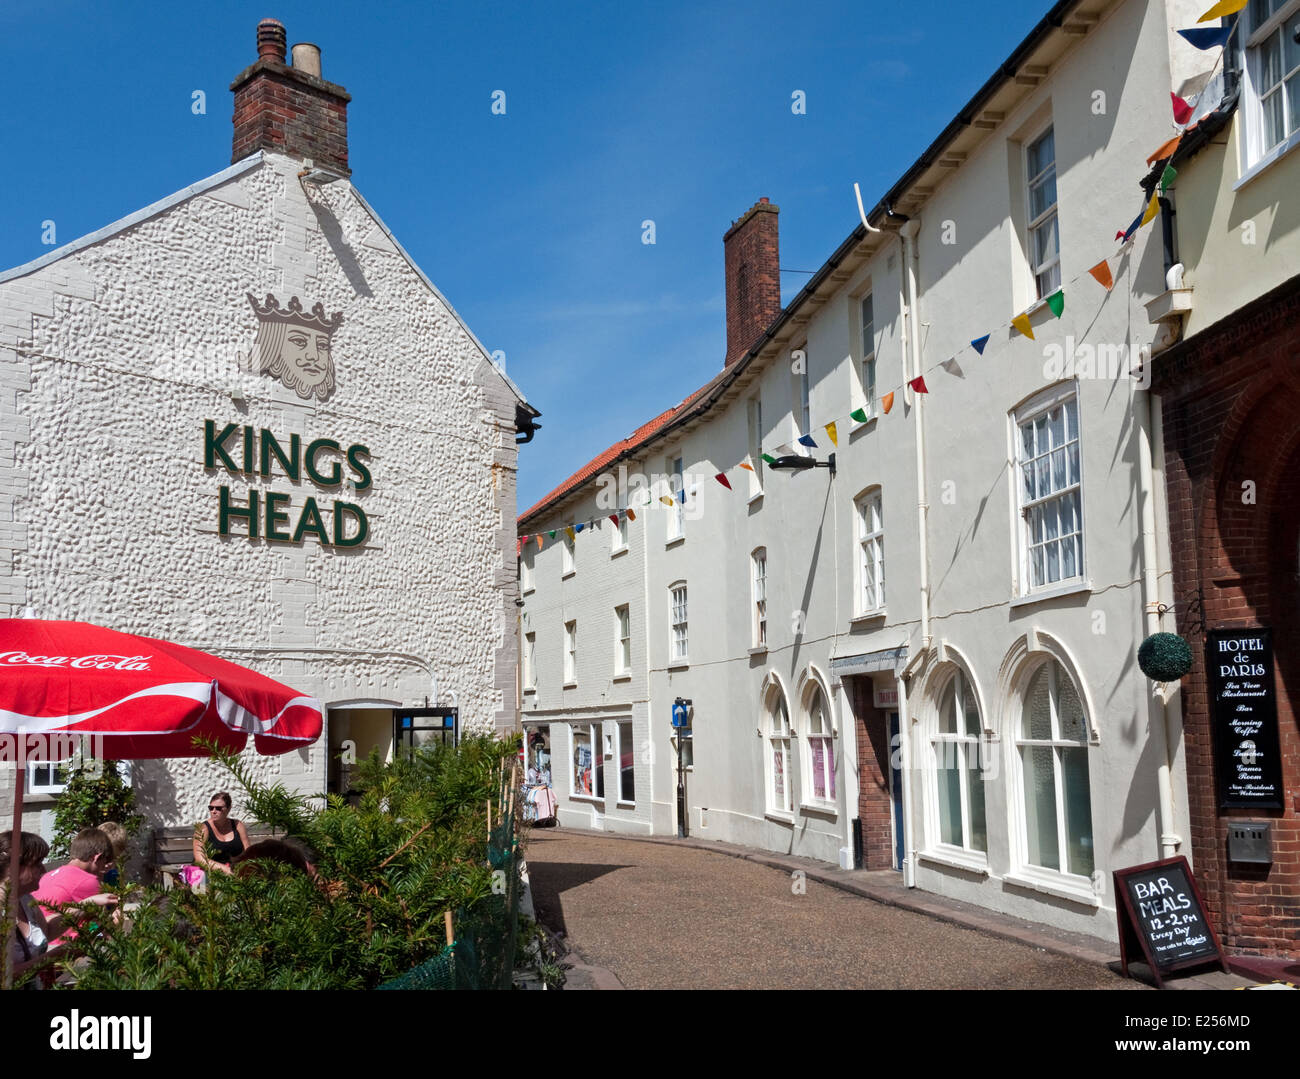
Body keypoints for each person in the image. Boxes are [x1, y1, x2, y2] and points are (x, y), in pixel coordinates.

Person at [1, 830, 52, 981]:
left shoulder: (25, 899)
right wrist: (55, 956)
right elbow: (5, 975)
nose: (44, 870)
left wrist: (85, 908)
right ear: (12, 868)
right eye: (37, 864)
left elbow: (47, 931)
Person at [193, 791, 252, 876]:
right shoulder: (203, 828)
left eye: (218, 808)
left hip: (236, 872)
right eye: (211, 808)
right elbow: (199, 859)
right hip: (211, 873)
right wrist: (226, 869)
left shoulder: (237, 825)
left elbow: (248, 851)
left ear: (228, 809)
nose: (213, 811)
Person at [97, 821, 129, 887]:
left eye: (115, 858)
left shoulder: (113, 877)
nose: (110, 863)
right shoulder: (82, 874)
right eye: (107, 857)